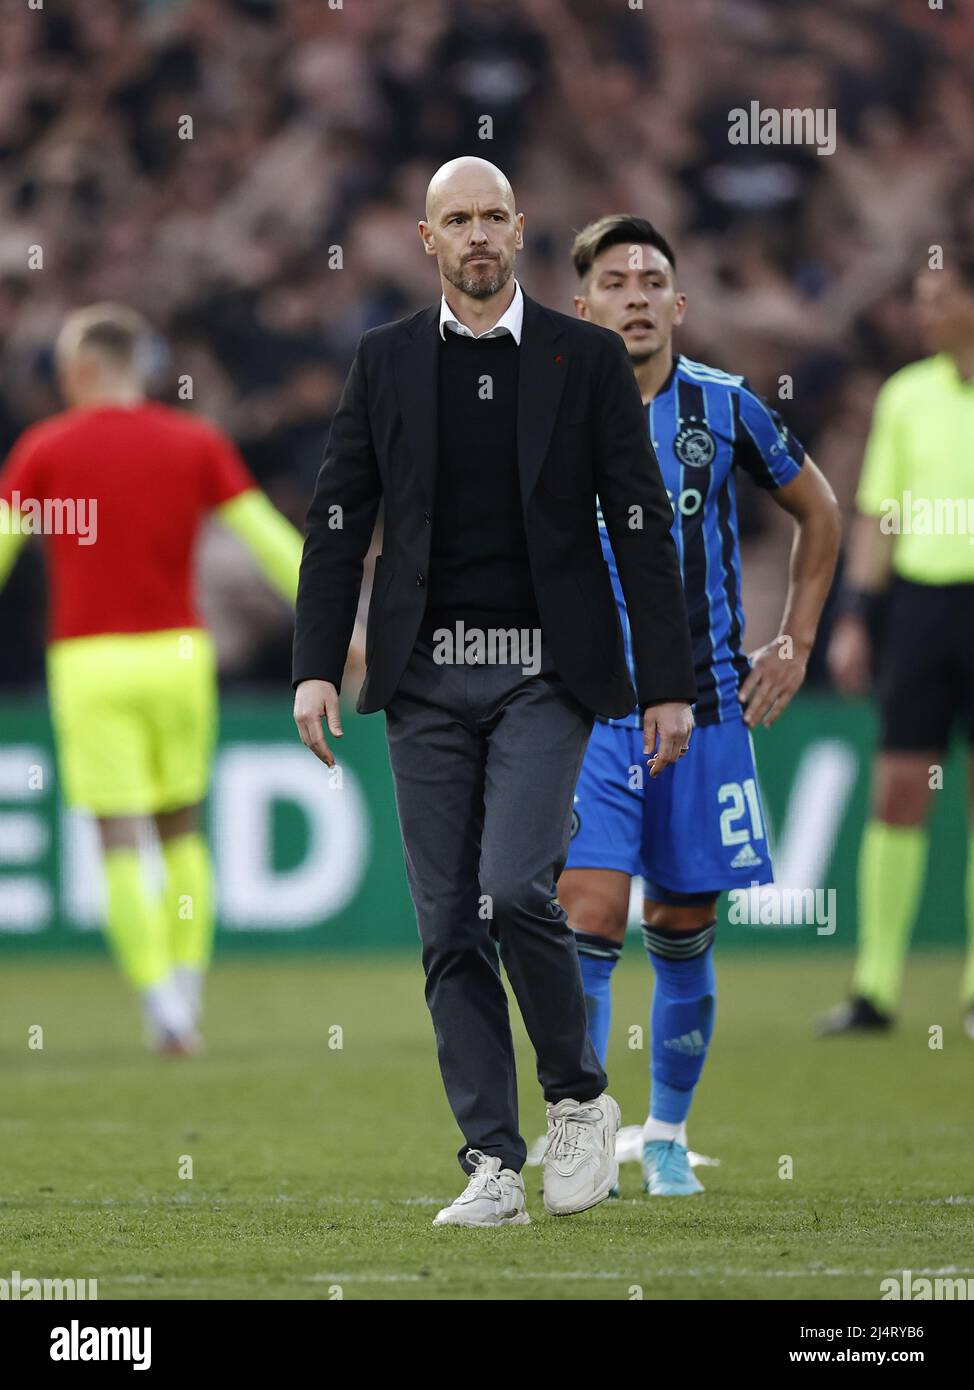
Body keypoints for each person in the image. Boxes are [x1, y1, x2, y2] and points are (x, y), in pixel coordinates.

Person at [292, 160, 696, 1226]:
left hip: (542, 671)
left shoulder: (585, 357)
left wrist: (667, 685)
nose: (475, 235)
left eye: (490, 218)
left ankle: (575, 1097)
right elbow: (337, 520)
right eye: (454, 220)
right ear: (425, 241)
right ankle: (489, 1162)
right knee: (445, 926)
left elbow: (642, 529)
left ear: (519, 232)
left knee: (515, 886)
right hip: (421, 678)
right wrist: (311, 664)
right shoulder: (381, 363)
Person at [557, 216, 840, 1194]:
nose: (633, 294)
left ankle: (666, 1131)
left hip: (709, 710)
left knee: (678, 925)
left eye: (649, 281)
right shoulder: (546, 412)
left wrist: (795, 641)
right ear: (580, 305)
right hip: (586, 713)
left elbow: (819, 509)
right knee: (586, 917)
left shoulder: (721, 406)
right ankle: (583, 1132)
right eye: (613, 280)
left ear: (676, 306)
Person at [0, 303, 303, 1052]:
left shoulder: (44, 450)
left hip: (87, 661)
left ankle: (161, 1007)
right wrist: (341, 627)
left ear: (79, 370)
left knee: (117, 841)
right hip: (177, 656)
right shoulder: (193, 443)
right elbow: (268, 539)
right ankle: (187, 993)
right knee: (181, 830)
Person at [823, 253, 974, 1037]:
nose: (924, 312)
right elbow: (877, 514)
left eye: (938, 298)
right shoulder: (906, 395)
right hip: (922, 607)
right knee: (898, 789)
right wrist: (855, 614)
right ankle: (875, 988)